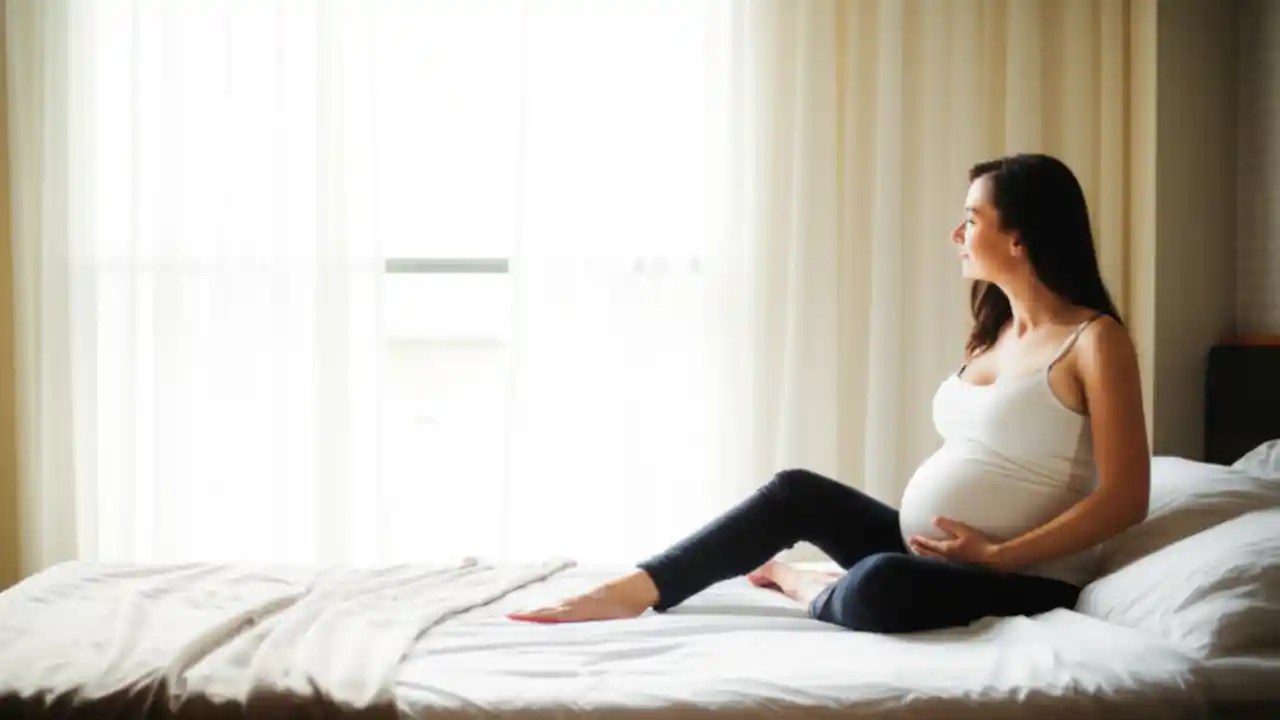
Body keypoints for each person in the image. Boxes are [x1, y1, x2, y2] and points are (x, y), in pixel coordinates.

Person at [506, 153, 1151, 633]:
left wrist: (1001, 555)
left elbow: (1127, 498)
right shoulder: (996, 333)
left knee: (879, 585)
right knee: (795, 492)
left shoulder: (1095, 342)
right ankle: (636, 588)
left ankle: (799, 582)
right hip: (935, 554)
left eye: (970, 219)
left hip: (1025, 579)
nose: (957, 236)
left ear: (1020, 237)